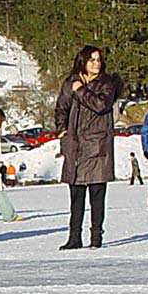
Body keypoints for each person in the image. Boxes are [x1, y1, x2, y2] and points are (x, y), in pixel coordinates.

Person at [53, 44, 122, 250]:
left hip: (97, 145)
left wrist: (81, 90)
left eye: (99, 60)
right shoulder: (70, 83)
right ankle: (74, 237)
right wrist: (62, 132)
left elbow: (101, 105)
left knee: (97, 194)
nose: (96, 63)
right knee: (76, 195)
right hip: (75, 146)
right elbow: (61, 109)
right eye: (92, 60)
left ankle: (96, 237)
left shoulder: (106, 84)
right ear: (83, 61)